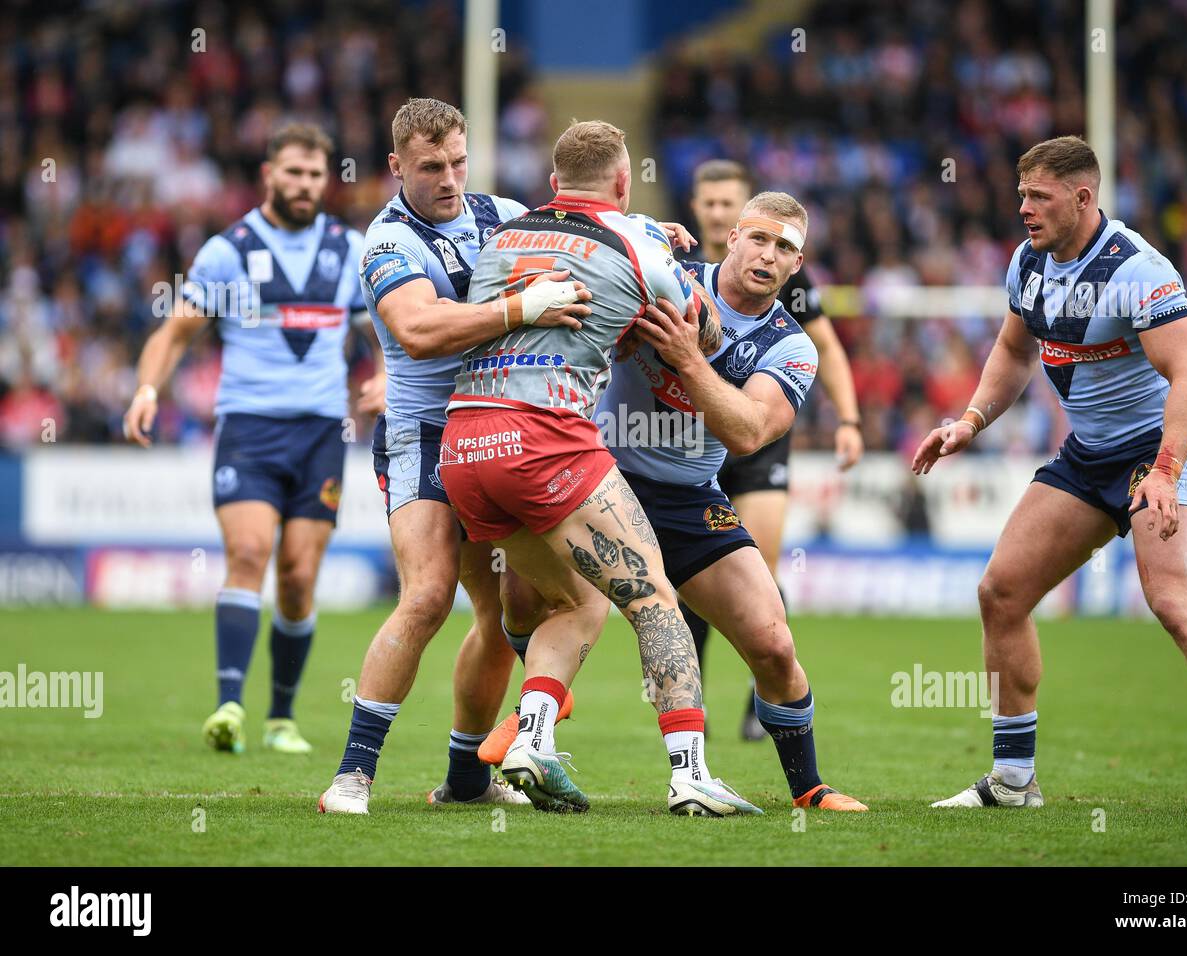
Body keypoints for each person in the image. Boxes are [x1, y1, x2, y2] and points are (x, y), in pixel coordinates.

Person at [913, 135, 1187, 817]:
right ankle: (1013, 780)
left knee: (1174, 600)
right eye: (1021, 193)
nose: (1023, 207)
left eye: (1039, 196)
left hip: (1157, 449)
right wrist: (970, 420)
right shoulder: (1027, 263)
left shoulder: (1138, 268)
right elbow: (1014, 348)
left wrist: (1168, 471)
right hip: (1089, 454)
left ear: (1083, 197)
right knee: (1000, 591)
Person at [499, 192, 870, 812]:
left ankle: (808, 788)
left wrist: (688, 359)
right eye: (759, 238)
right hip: (600, 475)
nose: (767, 255)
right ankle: (507, 744)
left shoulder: (791, 346)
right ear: (732, 237)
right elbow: (573, 251)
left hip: (690, 497)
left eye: (784, 249)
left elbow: (748, 431)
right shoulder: (662, 278)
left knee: (774, 645)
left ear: (797, 264)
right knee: (529, 604)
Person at [439, 120, 762, 816]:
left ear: (554, 182)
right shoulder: (639, 243)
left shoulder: (507, 235)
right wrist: (661, 266)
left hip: (465, 443)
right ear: (624, 182)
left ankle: (532, 737)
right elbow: (698, 329)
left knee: (575, 603)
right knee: (652, 597)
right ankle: (690, 776)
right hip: (546, 438)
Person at [318, 98, 588, 814]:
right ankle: (353, 775)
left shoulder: (497, 211)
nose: (449, 178)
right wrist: (517, 310)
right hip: (425, 437)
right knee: (428, 594)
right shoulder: (386, 242)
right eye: (432, 166)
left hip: (500, 435)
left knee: (506, 614)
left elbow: (582, 238)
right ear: (396, 166)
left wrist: (650, 234)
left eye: (459, 161)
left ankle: (468, 779)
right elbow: (417, 329)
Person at [123, 123, 374, 756]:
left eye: (316, 175)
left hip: (320, 433)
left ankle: (280, 717)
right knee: (249, 552)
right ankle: (229, 705)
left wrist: (390, 380)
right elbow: (175, 333)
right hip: (248, 430)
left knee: (297, 575)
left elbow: (386, 335)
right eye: (293, 173)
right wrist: (148, 389)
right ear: (269, 175)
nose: (305, 185)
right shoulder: (227, 251)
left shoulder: (348, 251)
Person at [686, 160, 864, 739]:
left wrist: (850, 419)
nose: (716, 212)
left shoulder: (791, 288)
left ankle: (760, 694)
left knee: (753, 568)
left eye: (726, 201)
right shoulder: (668, 269)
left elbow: (827, 348)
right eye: (710, 204)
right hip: (680, 444)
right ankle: (693, 702)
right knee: (690, 579)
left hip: (756, 441)